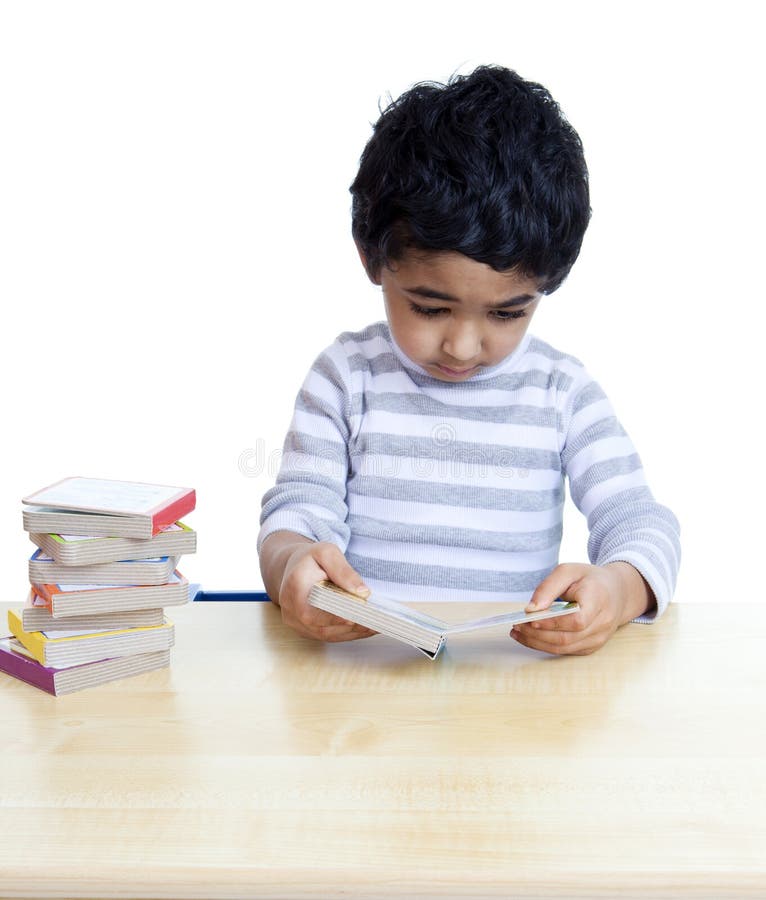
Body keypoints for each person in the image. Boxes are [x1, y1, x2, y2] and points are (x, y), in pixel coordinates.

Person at [257, 65, 680, 655]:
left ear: (546, 285)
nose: (462, 346)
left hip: (506, 695)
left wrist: (618, 588)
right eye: (430, 308)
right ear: (371, 259)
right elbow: (294, 520)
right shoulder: (346, 378)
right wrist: (293, 568)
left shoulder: (561, 393)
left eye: (507, 314)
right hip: (361, 694)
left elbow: (642, 522)